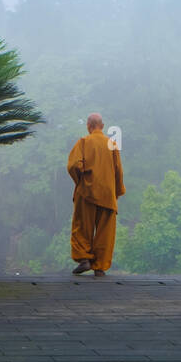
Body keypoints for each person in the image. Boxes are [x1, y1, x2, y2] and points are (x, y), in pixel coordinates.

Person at [66, 114, 125, 276]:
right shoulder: (112, 144)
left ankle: (84, 259)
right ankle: (99, 267)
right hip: (107, 194)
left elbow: (73, 165)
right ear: (102, 125)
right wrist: (117, 192)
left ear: (88, 125)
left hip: (86, 192)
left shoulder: (84, 142)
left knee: (82, 227)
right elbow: (118, 170)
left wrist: (81, 181)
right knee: (105, 231)